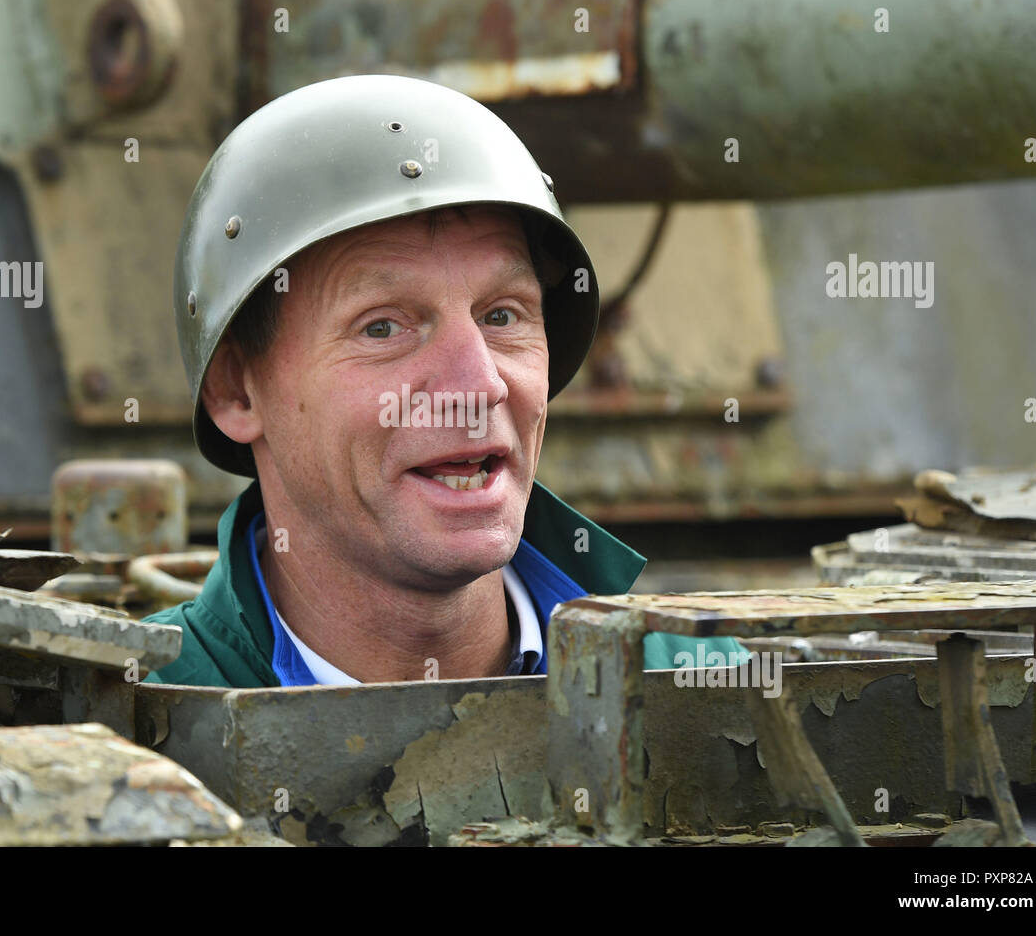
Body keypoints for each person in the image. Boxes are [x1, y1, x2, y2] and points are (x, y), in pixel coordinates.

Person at [142, 75, 748, 686]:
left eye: (502, 316)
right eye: (382, 328)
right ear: (236, 390)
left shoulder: (701, 683)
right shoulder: (135, 712)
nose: (480, 387)